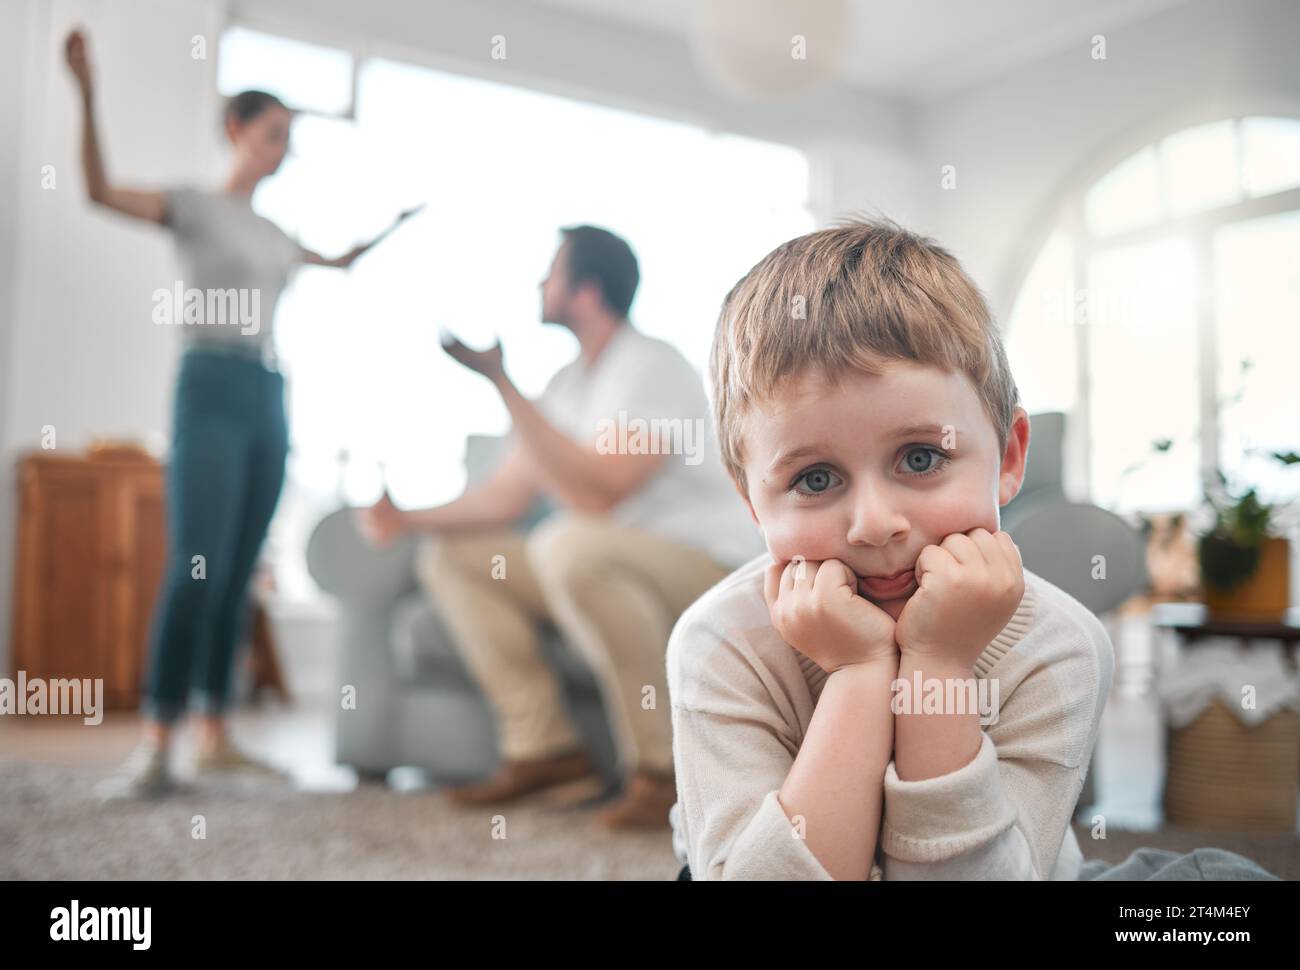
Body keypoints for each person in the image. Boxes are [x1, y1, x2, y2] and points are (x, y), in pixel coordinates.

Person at [63, 28, 415, 800]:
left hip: (267, 395)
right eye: (272, 135)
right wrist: (87, 95)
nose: (282, 150)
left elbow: (340, 263)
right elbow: (97, 189)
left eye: (289, 139)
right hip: (209, 385)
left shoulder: (273, 233)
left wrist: (393, 226)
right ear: (236, 131)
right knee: (196, 567)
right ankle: (158, 740)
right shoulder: (193, 207)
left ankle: (215, 736)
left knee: (238, 576)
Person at [359, 226, 764, 828]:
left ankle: (662, 774)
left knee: (567, 543)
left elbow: (602, 491)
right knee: (454, 556)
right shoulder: (567, 385)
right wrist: (405, 518)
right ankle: (548, 751)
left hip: (702, 565)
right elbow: (503, 498)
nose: (538, 284)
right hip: (600, 558)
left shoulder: (649, 364)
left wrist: (502, 383)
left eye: (551, 274)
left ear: (586, 291)